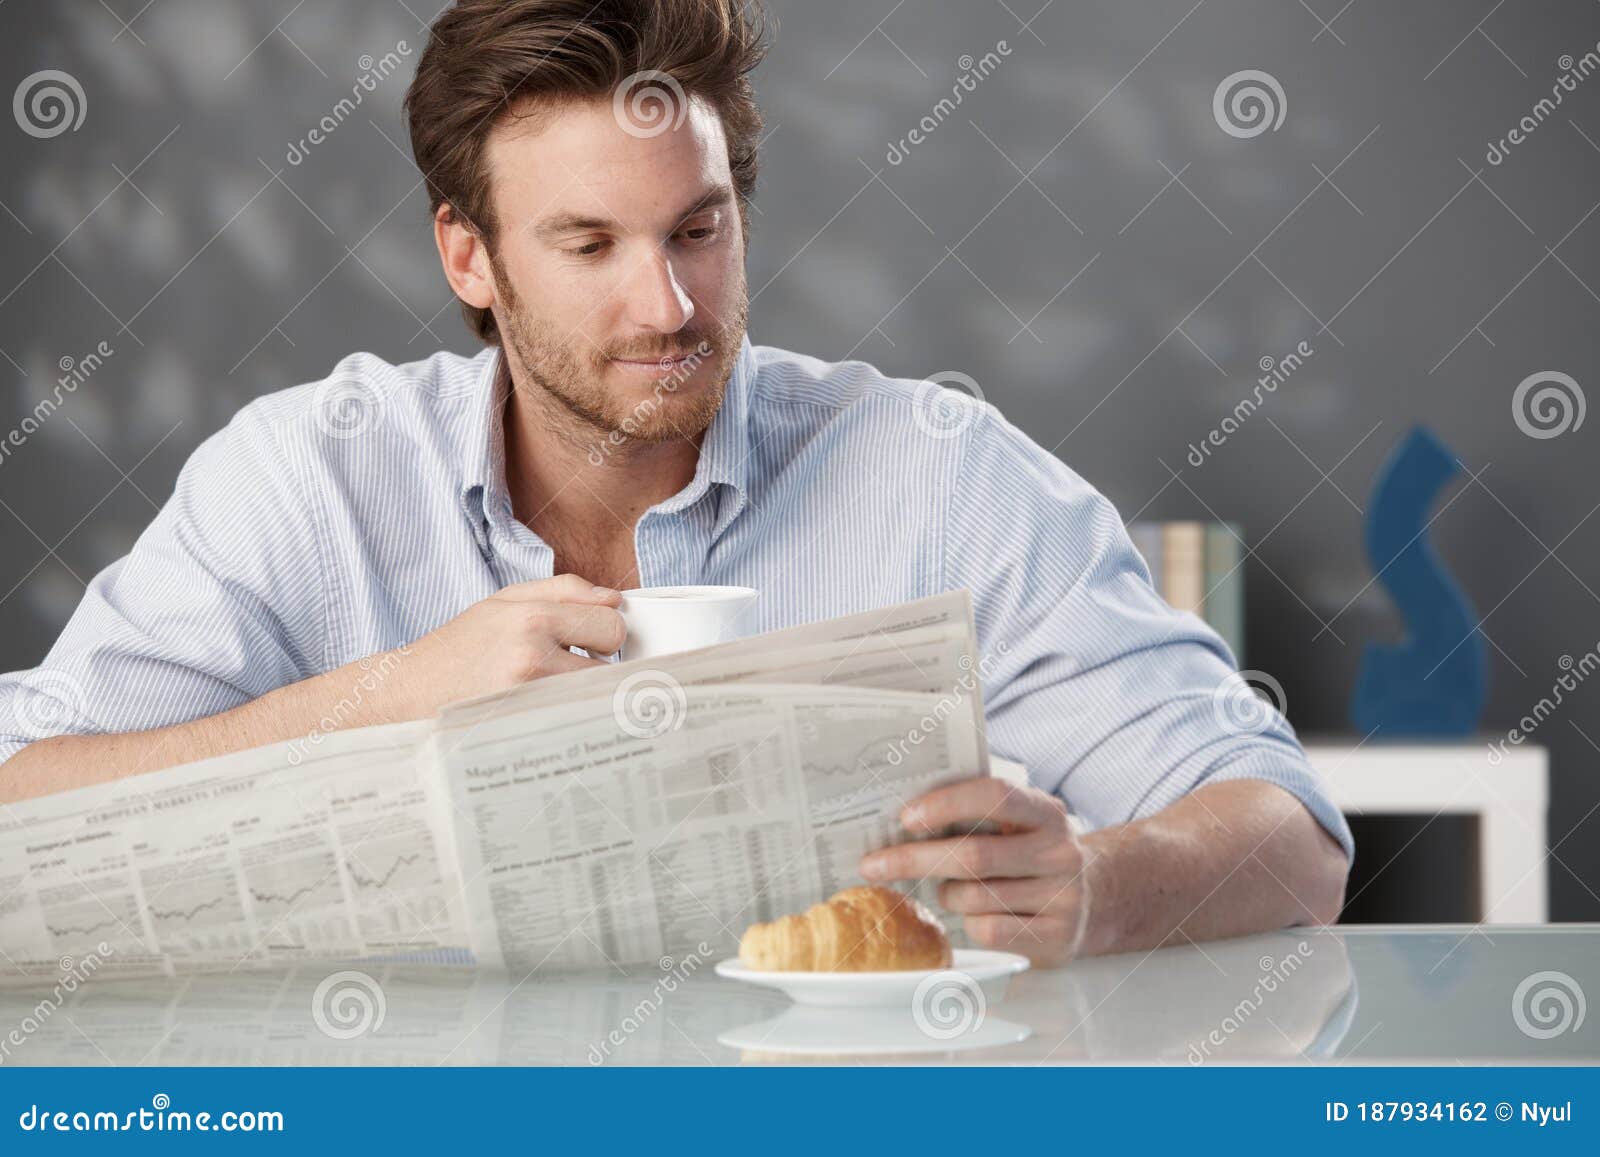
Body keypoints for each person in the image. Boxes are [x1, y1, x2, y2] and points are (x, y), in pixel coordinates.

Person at [0, 0, 1350, 965]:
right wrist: (389, 703)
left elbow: (1292, 838)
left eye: (698, 230)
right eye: (588, 243)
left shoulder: (936, 474)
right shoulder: (310, 479)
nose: (669, 302)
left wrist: (1104, 883)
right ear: (468, 256)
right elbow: (19, 792)